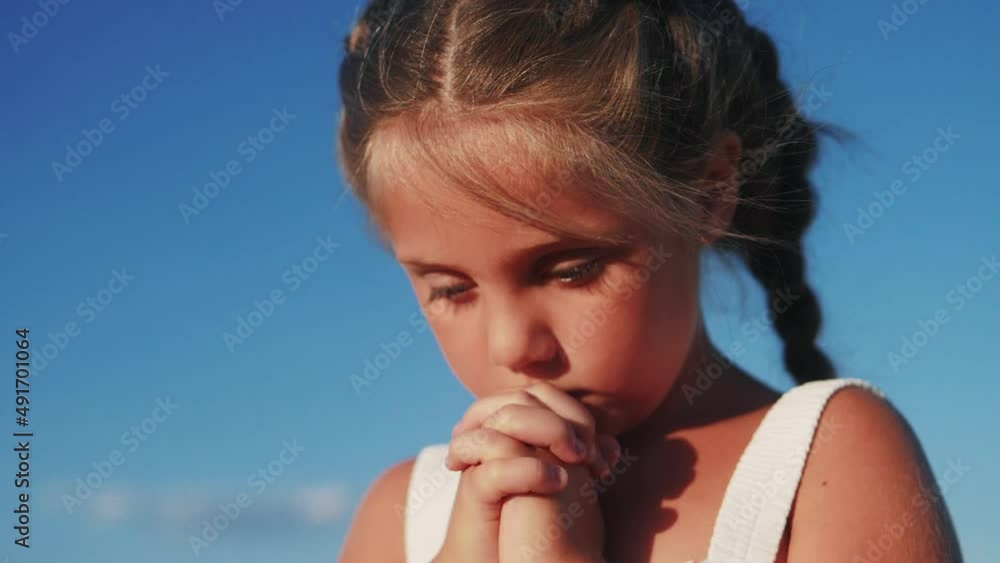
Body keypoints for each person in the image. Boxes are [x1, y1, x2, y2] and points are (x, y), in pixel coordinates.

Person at [334, 1, 963, 561]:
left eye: (574, 270)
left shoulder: (824, 460)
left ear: (709, 193)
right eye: (450, 289)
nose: (512, 347)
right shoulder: (401, 518)